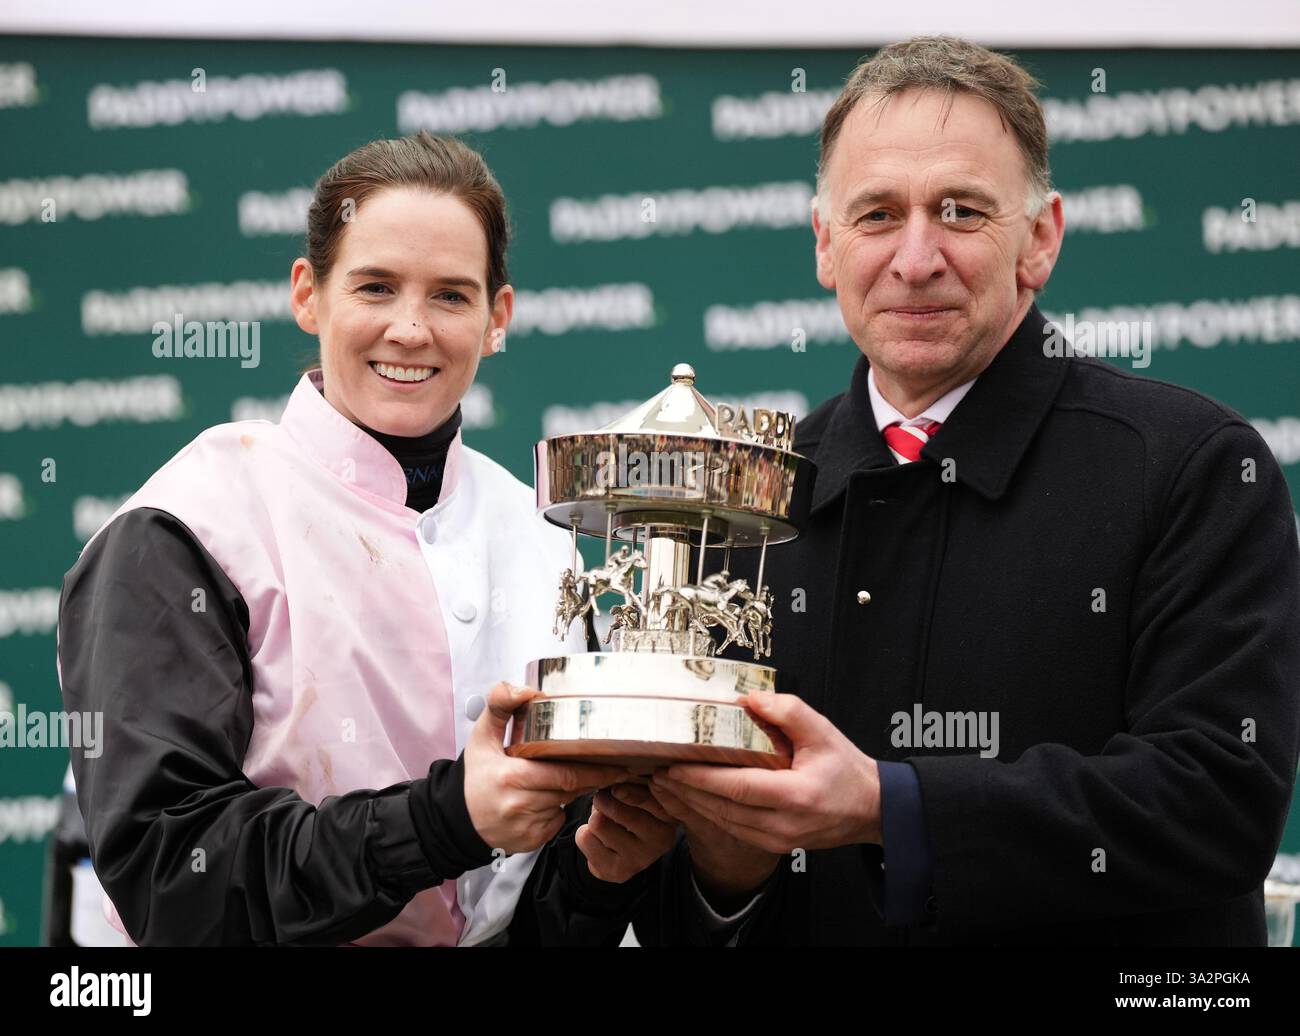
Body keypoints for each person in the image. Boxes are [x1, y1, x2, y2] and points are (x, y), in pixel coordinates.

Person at [629, 36, 1300, 945]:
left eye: (959, 211)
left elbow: (1219, 803)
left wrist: (889, 806)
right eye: (875, 215)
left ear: (1041, 238)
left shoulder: (1192, 465)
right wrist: (724, 866)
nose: (915, 258)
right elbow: (690, 897)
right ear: (825, 244)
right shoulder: (752, 490)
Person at [56, 131, 673, 947]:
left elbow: (513, 914)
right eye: (376, 287)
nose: (411, 330)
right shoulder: (184, 524)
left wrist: (598, 873)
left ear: (499, 318)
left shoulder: (541, 534)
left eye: (451, 296)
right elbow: (173, 879)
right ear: (309, 294)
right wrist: (447, 819)